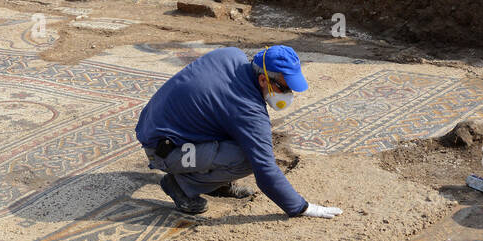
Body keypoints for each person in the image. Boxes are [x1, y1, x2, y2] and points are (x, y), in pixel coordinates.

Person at [135, 45, 343, 219]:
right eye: (284, 88)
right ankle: (181, 185)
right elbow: (265, 169)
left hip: (153, 126)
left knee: (236, 132)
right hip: (164, 150)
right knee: (247, 157)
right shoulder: (247, 110)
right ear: (263, 80)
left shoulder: (231, 55)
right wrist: (302, 207)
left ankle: (216, 183)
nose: (288, 95)